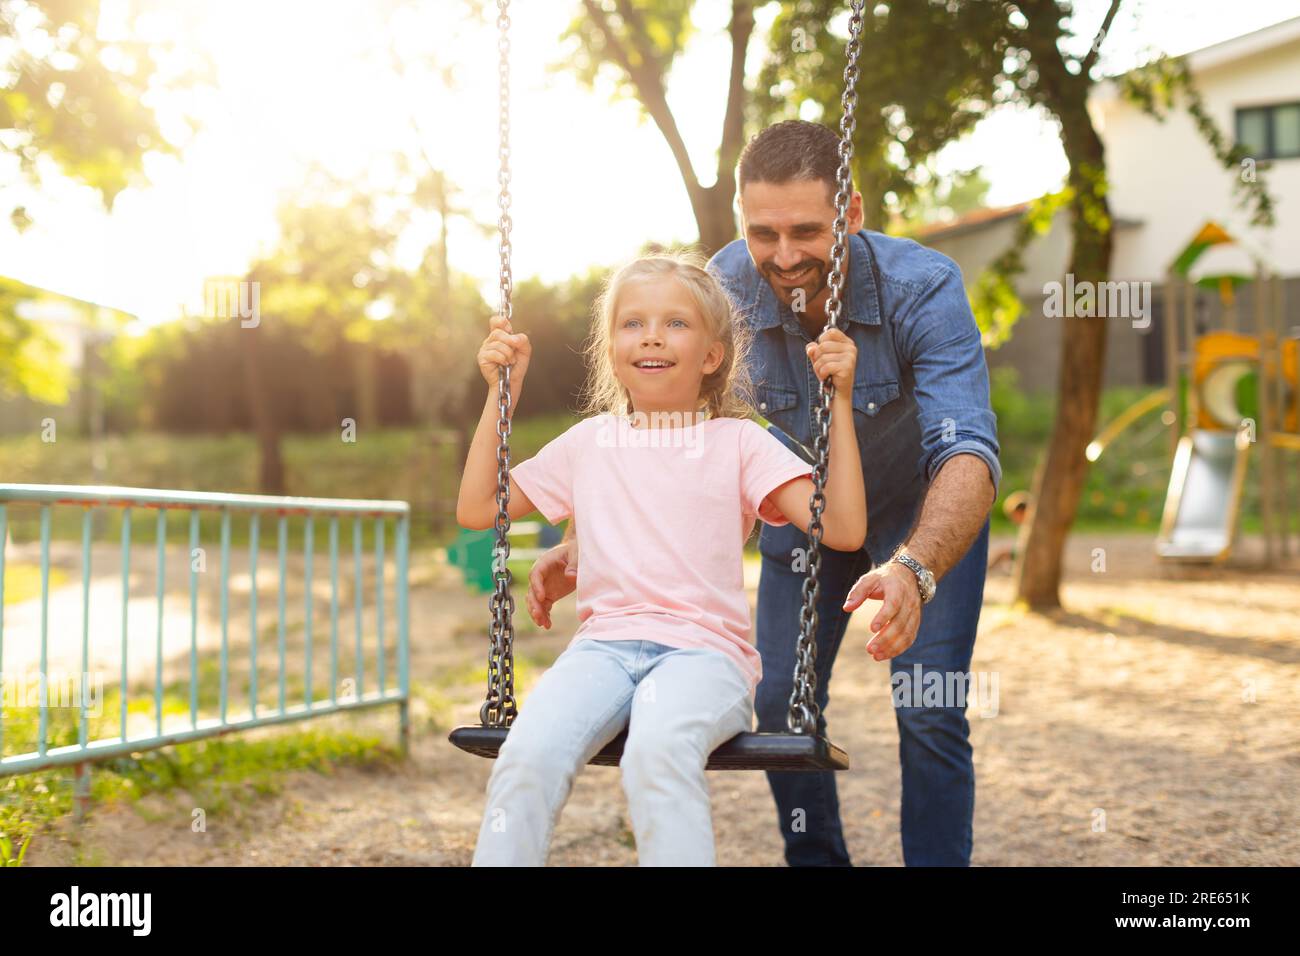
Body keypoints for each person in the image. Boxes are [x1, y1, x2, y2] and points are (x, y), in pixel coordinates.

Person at [527, 121, 1000, 866]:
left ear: (852, 213)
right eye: (763, 233)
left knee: (928, 708)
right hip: (802, 513)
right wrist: (590, 538)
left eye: (807, 231)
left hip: (921, 514)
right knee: (780, 703)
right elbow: (672, 431)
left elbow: (967, 449)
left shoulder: (924, 288)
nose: (784, 257)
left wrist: (914, 566)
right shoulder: (726, 287)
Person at [457, 251, 866, 866]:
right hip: (602, 651)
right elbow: (478, 507)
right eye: (632, 323)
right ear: (612, 349)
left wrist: (839, 400)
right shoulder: (589, 442)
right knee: (527, 754)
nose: (651, 334)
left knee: (657, 752)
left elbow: (842, 526)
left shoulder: (739, 443)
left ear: (711, 355)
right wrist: (501, 396)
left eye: (675, 322)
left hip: (705, 659)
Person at [988, 491, 1030, 573]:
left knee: (1002, 554)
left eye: (1012, 515)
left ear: (1020, 512)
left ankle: (986, 570)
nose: (1012, 520)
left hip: (1029, 556)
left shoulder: (1031, 526)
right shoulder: (1026, 526)